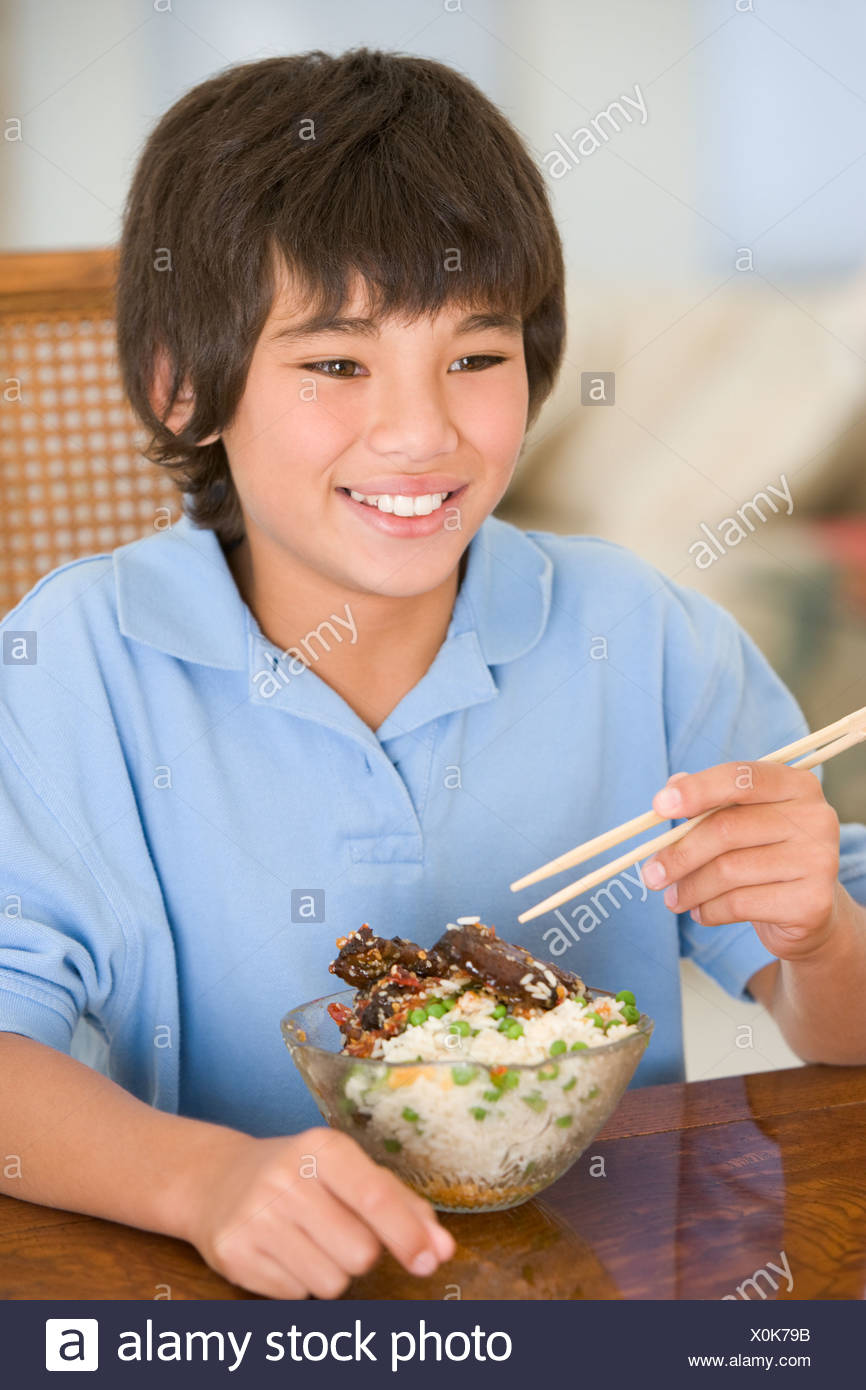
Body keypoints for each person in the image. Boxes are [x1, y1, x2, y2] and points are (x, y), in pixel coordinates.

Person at [2, 48, 865, 1302]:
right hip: (228, 1301)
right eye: (336, 365)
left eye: (474, 356)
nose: (421, 433)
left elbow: (834, 1029)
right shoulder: (71, 666)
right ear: (185, 387)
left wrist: (819, 933)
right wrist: (199, 1181)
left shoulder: (649, 637)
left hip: (605, 1288)